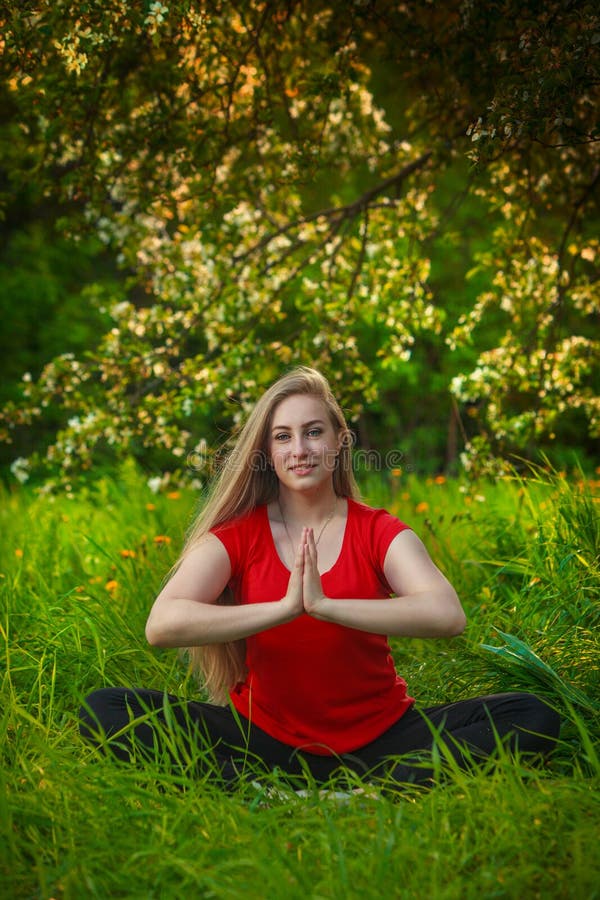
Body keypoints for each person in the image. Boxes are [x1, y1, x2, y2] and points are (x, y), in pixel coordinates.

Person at [79, 367, 560, 790]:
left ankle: (371, 789)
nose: (300, 449)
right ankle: (270, 791)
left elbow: (447, 614)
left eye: (313, 432)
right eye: (283, 436)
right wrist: (283, 609)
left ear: (340, 441)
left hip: (381, 739)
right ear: (266, 450)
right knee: (104, 710)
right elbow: (162, 624)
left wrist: (326, 605)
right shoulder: (238, 535)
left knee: (532, 715)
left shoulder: (378, 530)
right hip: (264, 740)